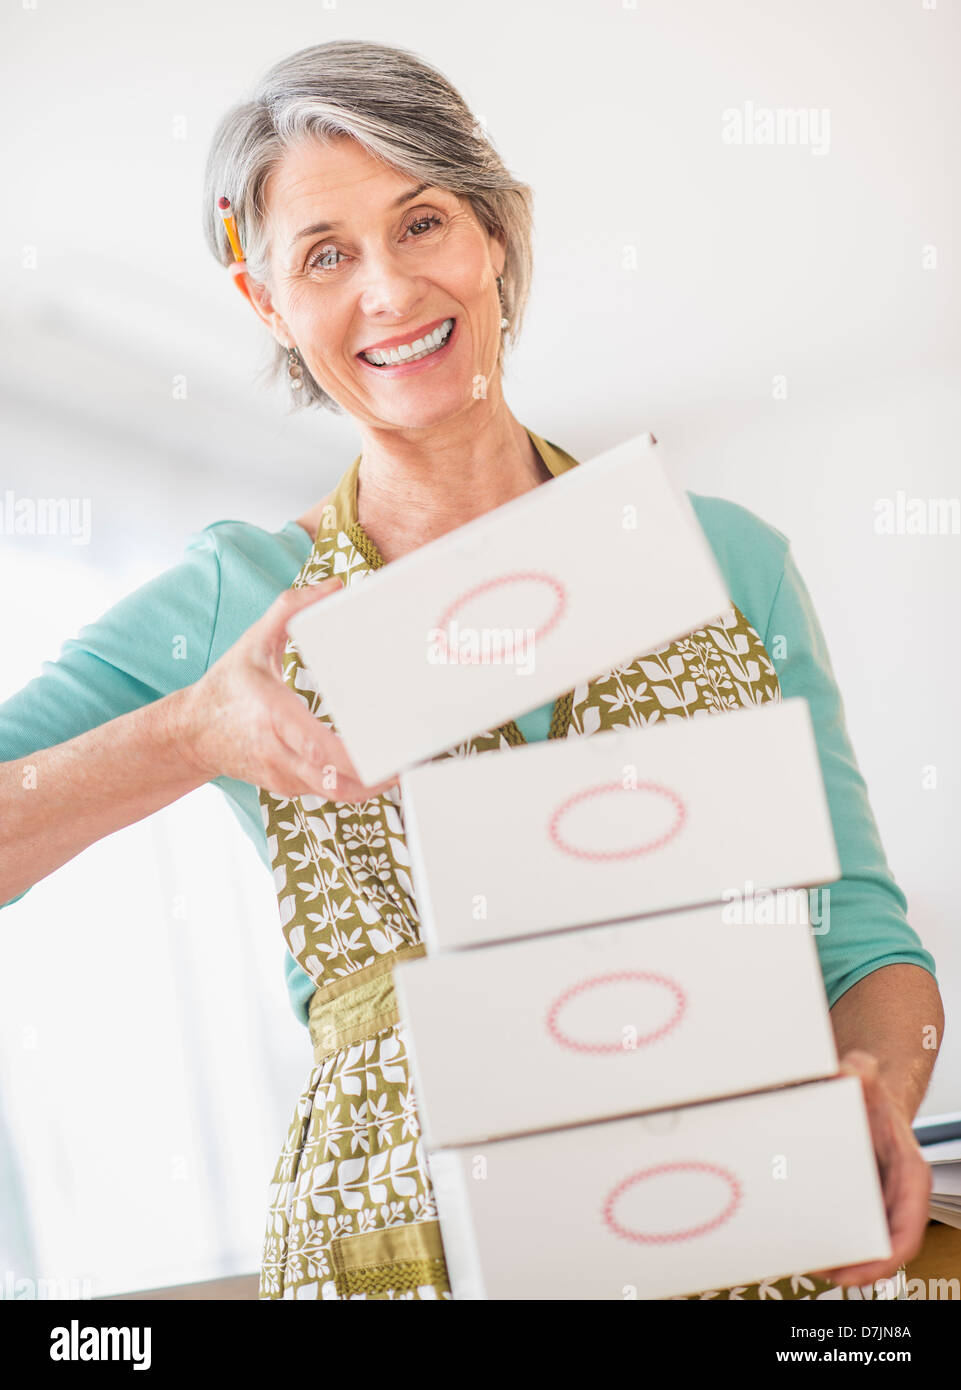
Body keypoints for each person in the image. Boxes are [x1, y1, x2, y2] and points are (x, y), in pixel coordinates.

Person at [0, 40, 941, 1301]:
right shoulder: (238, 604)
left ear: (496, 233)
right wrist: (189, 732)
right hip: (394, 1262)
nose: (387, 289)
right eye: (323, 253)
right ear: (266, 302)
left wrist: (871, 1082)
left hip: (729, 1235)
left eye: (423, 220)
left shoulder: (724, 560)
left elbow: (861, 939)